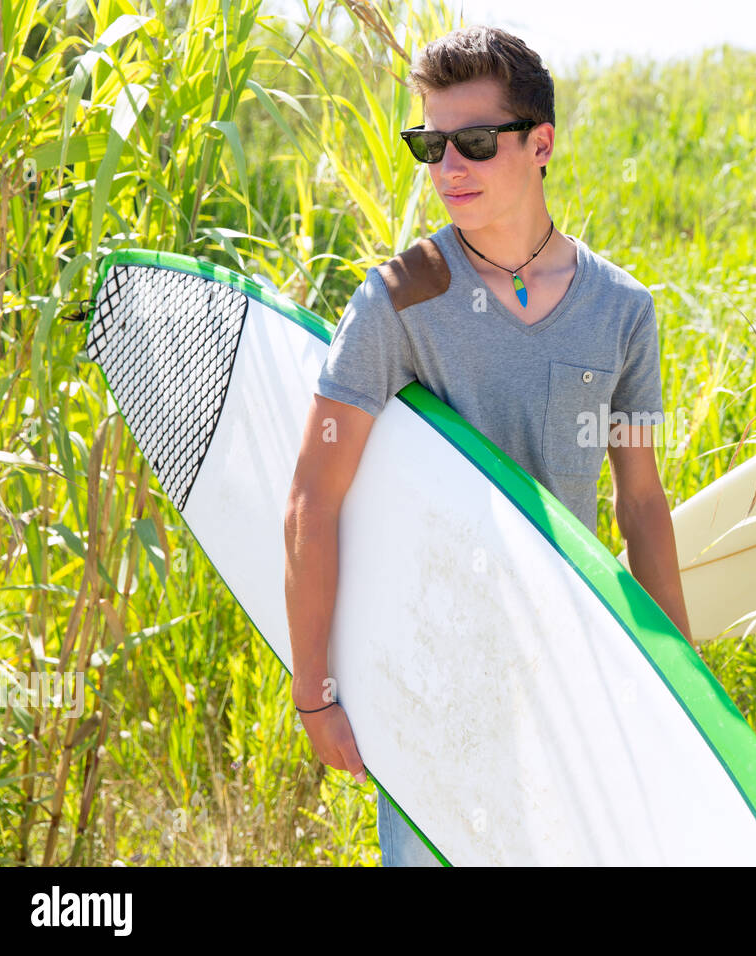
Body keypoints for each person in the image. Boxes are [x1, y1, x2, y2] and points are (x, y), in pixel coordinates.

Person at [282, 25, 692, 867]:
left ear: (541, 143)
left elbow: (641, 501)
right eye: (429, 145)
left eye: (473, 141)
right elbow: (312, 497)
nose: (448, 169)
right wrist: (315, 692)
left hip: (571, 666)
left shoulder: (623, 309)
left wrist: (682, 685)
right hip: (429, 668)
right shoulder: (399, 297)